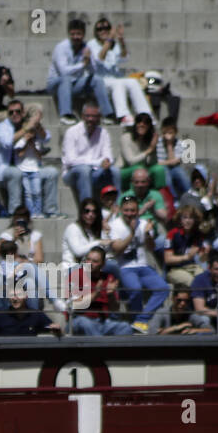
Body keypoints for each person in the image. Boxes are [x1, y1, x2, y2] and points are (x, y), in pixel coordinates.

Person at [109, 192, 169, 332]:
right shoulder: (114, 225)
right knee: (135, 290)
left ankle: (140, 320)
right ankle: (137, 321)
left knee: (163, 288)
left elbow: (151, 247)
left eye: (133, 211)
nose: (130, 214)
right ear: (121, 210)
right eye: (126, 210)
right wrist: (131, 232)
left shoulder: (143, 224)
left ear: (138, 211)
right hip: (125, 267)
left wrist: (148, 234)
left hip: (143, 266)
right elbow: (117, 249)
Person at [46, 18, 113, 125]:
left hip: (74, 84)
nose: (76, 37)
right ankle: (66, 114)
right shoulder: (61, 47)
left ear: (83, 34)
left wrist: (89, 60)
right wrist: (83, 64)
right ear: (69, 34)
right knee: (66, 79)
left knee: (97, 79)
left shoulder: (86, 47)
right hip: (56, 85)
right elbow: (64, 72)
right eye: (73, 34)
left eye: (79, 34)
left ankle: (108, 114)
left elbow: (93, 71)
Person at [88, 18, 151, 125]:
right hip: (99, 81)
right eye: (100, 29)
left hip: (114, 78)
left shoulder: (114, 45)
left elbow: (124, 57)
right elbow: (99, 59)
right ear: (96, 31)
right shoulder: (92, 44)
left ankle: (146, 115)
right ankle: (123, 116)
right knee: (118, 83)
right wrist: (109, 40)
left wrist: (121, 41)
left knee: (133, 82)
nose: (103, 31)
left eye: (107, 28)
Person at [61, 101, 115, 204]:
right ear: (82, 116)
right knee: (84, 170)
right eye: (88, 116)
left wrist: (107, 161)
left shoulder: (103, 133)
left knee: (115, 171)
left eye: (94, 116)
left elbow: (108, 155)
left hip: (96, 172)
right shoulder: (72, 132)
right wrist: (98, 163)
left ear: (99, 117)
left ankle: (117, 208)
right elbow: (70, 160)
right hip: (72, 174)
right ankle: (87, 207)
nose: (91, 119)